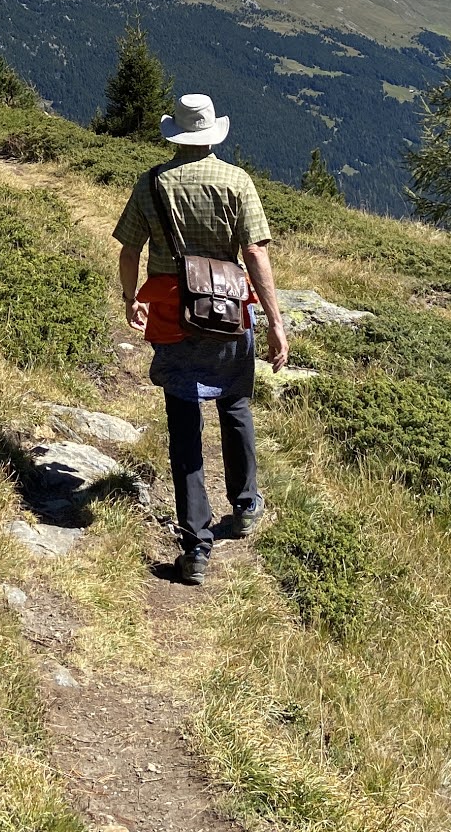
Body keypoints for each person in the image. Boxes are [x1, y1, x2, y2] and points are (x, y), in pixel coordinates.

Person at [113, 93, 289, 585]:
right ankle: (247, 506)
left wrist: (131, 298)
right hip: (229, 310)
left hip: (172, 311)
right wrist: (275, 321)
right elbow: (254, 254)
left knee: (183, 419)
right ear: (213, 133)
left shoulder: (151, 183)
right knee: (235, 405)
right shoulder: (238, 182)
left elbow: (129, 250)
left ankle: (195, 547)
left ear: (176, 133)